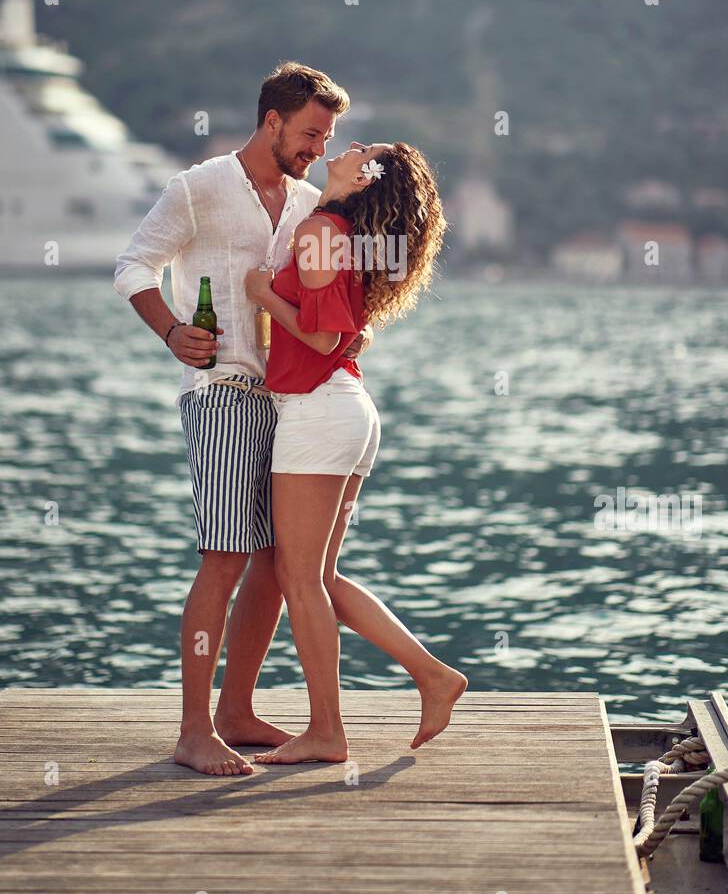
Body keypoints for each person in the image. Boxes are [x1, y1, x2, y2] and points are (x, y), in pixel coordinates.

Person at [113, 62, 371, 777]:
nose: (317, 147)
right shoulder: (197, 187)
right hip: (223, 393)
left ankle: (236, 709)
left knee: (273, 565)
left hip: (289, 401)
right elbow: (134, 267)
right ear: (272, 121)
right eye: (311, 134)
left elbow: (317, 294)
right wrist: (170, 329)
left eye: (326, 137)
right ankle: (195, 730)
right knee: (224, 558)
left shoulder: (307, 201)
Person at [243, 140, 467, 764]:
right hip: (344, 408)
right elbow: (345, 329)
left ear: (365, 175)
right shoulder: (345, 234)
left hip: (319, 409)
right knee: (318, 577)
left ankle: (326, 732)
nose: (343, 147)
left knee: (300, 578)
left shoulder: (322, 228)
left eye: (359, 149)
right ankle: (433, 677)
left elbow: (319, 337)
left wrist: (262, 292)